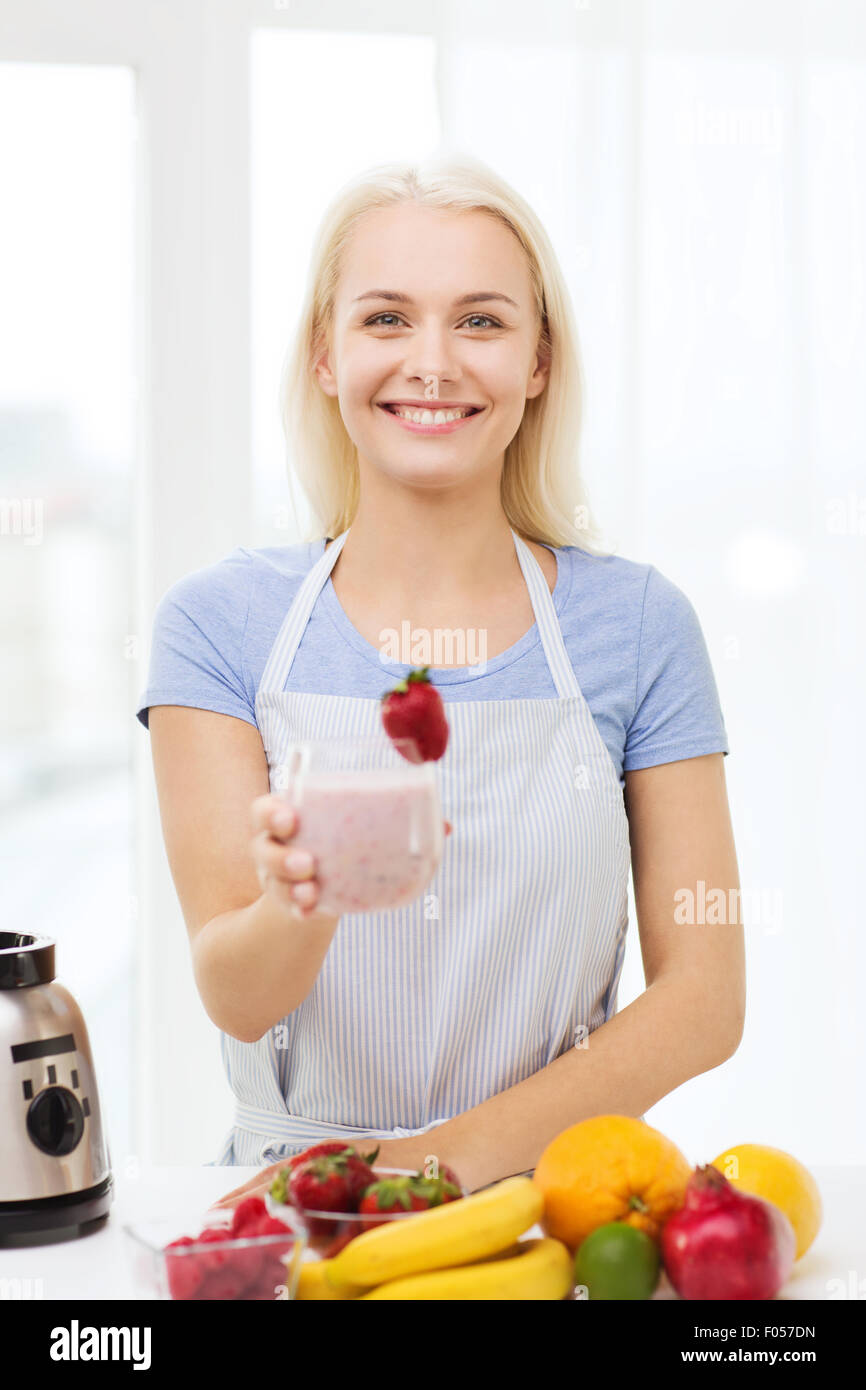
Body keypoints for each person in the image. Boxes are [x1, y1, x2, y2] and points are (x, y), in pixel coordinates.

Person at [136, 156, 744, 1203]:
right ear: (325, 357)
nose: (431, 362)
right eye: (383, 319)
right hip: (294, 1217)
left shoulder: (639, 626)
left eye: (478, 321)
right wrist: (302, 897)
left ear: (537, 361)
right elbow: (235, 995)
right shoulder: (217, 626)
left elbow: (704, 994)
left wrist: (423, 1171)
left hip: (548, 1208)